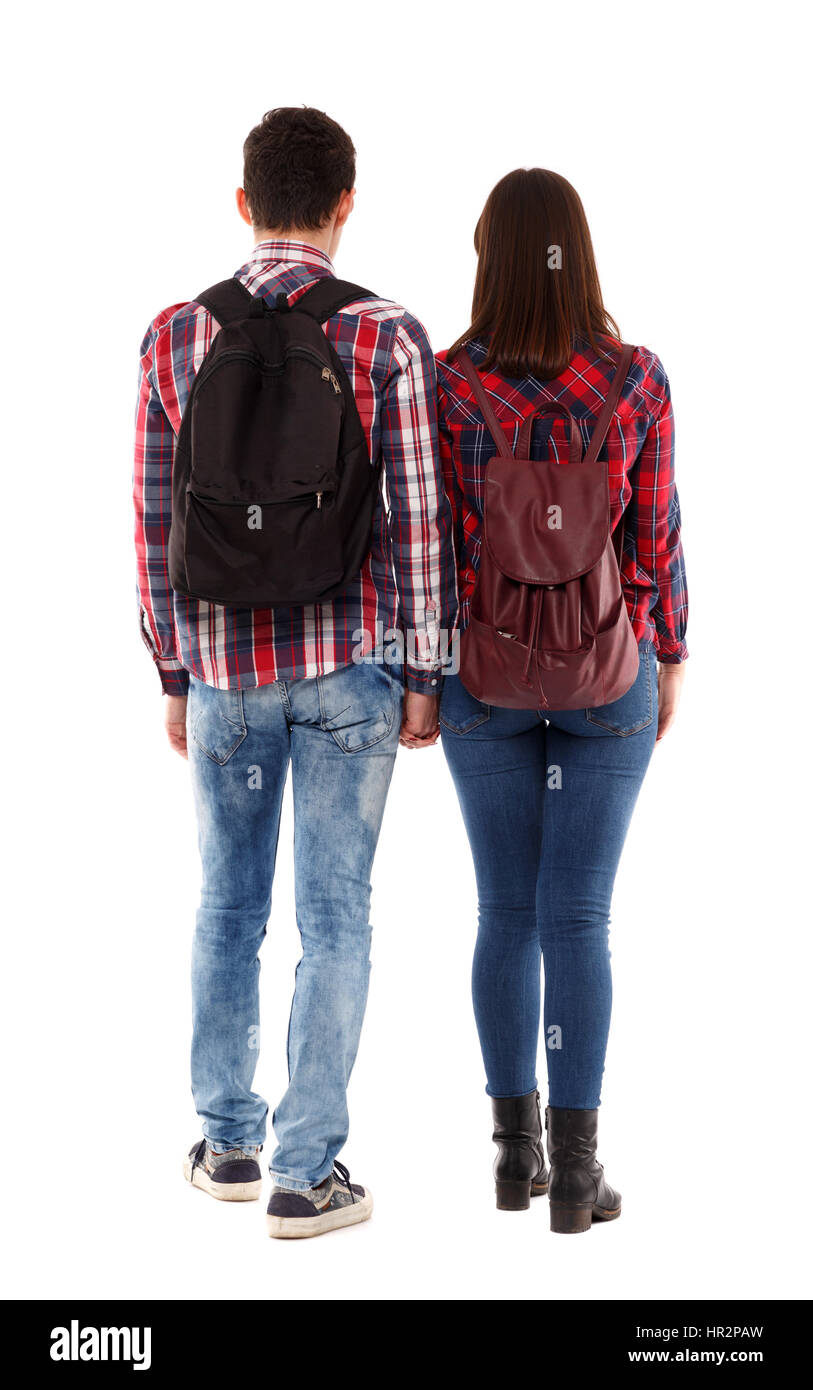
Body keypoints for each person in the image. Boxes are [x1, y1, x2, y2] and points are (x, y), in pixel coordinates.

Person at [133, 106, 456, 1239]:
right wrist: (426, 668)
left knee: (227, 903)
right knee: (336, 917)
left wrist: (175, 671)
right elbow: (420, 518)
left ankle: (227, 1141)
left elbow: (153, 521)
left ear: (243, 205)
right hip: (350, 674)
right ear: (345, 204)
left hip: (223, 669)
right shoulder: (387, 338)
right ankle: (305, 1170)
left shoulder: (175, 335)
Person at [436, 168, 688, 1233]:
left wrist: (420, 672)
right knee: (579, 916)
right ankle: (578, 1180)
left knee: (506, 911)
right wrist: (664, 650)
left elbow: (425, 543)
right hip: (604, 673)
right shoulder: (635, 381)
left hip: (483, 675)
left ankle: (513, 1157)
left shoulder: (447, 384)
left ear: (489, 258)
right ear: (578, 256)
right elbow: (658, 532)